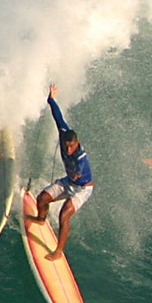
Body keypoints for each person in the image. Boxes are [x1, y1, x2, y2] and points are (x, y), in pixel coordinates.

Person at [27, 84, 93, 261]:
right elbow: (58, 117)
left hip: (82, 189)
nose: (68, 149)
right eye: (66, 146)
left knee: (64, 214)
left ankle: (58, 251)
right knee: (42, 199)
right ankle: (41, 219)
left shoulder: (80, 155)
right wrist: (51, 100)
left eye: (71, 146)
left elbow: (79, 167)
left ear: (77, 143)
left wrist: (77, 174)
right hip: (68, 182)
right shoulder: (64, 133)